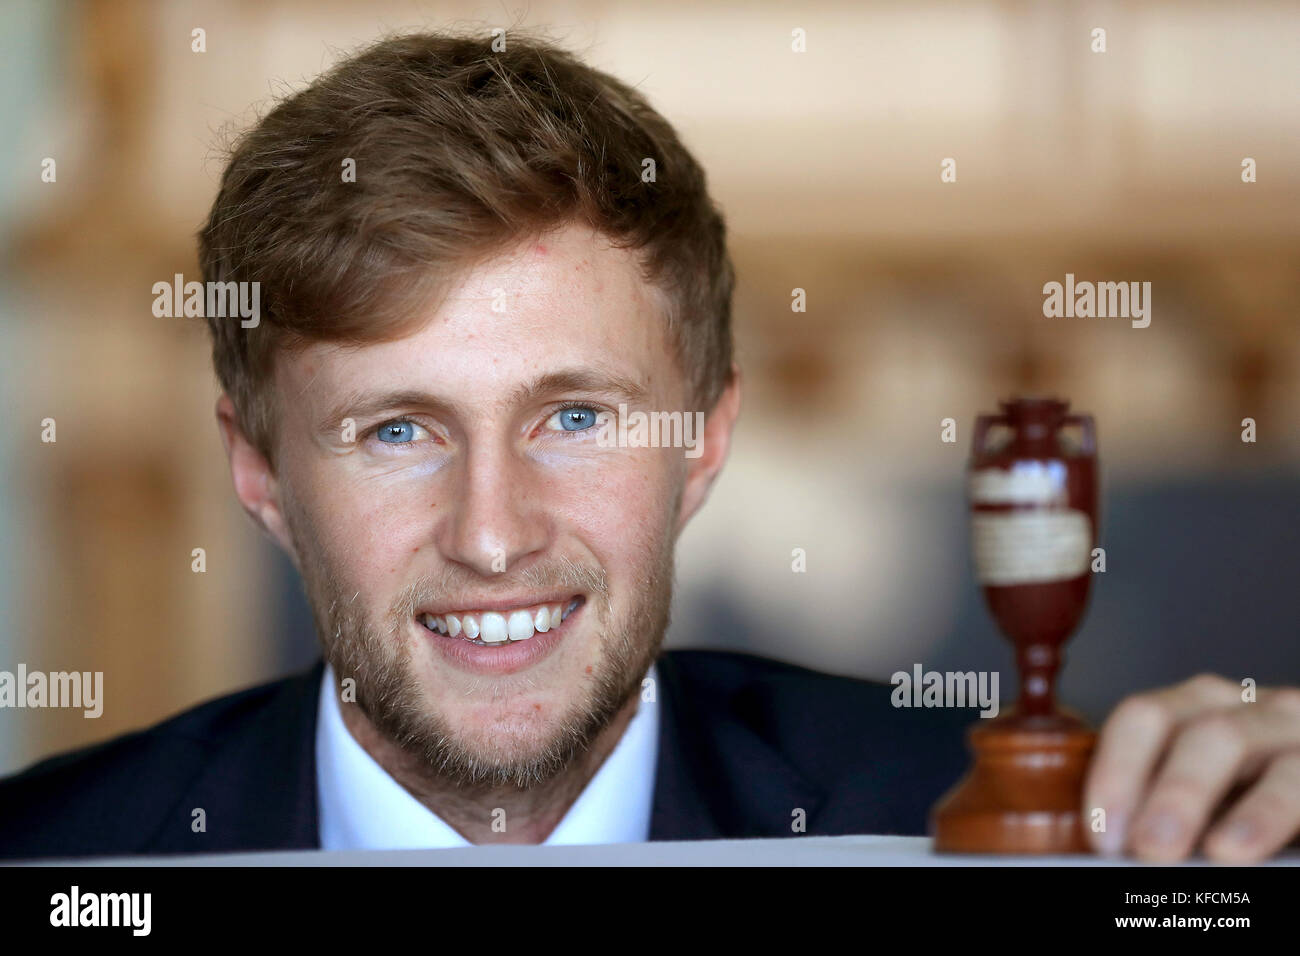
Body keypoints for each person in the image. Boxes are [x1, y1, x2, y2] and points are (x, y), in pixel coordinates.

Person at [1, 32, 1296, 862]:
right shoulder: (51, 862)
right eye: (397, 430)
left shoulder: (1009, 826)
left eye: (575, 418)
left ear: (706, 441)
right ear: (259, 472)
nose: (492, 536)